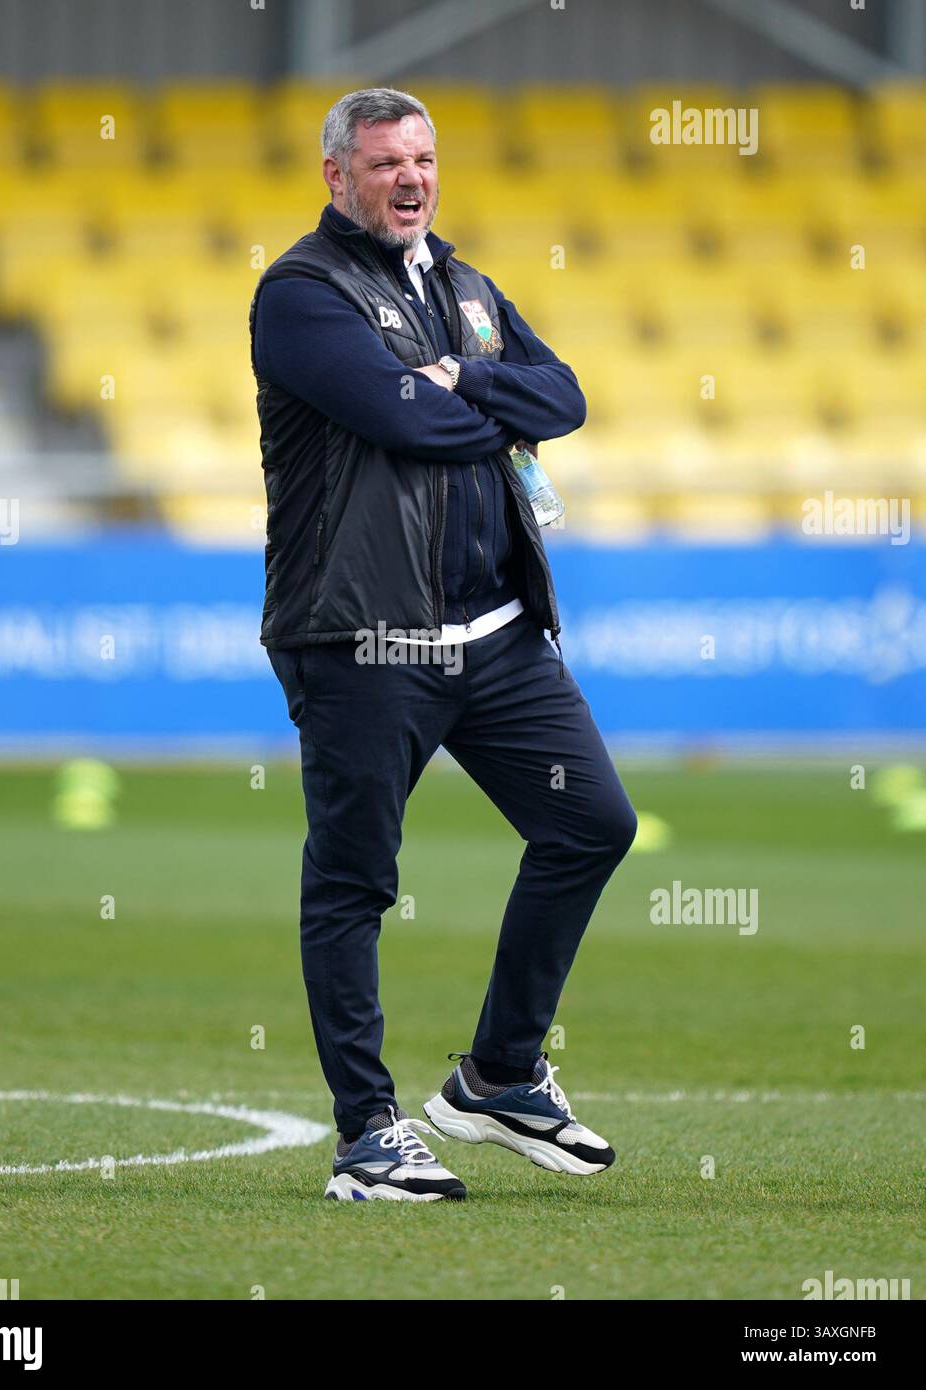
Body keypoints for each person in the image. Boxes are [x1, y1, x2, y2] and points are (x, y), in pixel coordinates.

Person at [249, 87, 637, 1201]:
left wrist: (466, 377)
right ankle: (367, 1134)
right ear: (337, 177)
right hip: (369, 639)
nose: (410, 179)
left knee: (593, 824)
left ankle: (499, 1076)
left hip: (501, 636)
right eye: (384, 164)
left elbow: (562, 397)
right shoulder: (300, 294)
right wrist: (464, 403)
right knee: (356, 880)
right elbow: (403, 424)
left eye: (422, 159)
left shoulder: (465, 288)